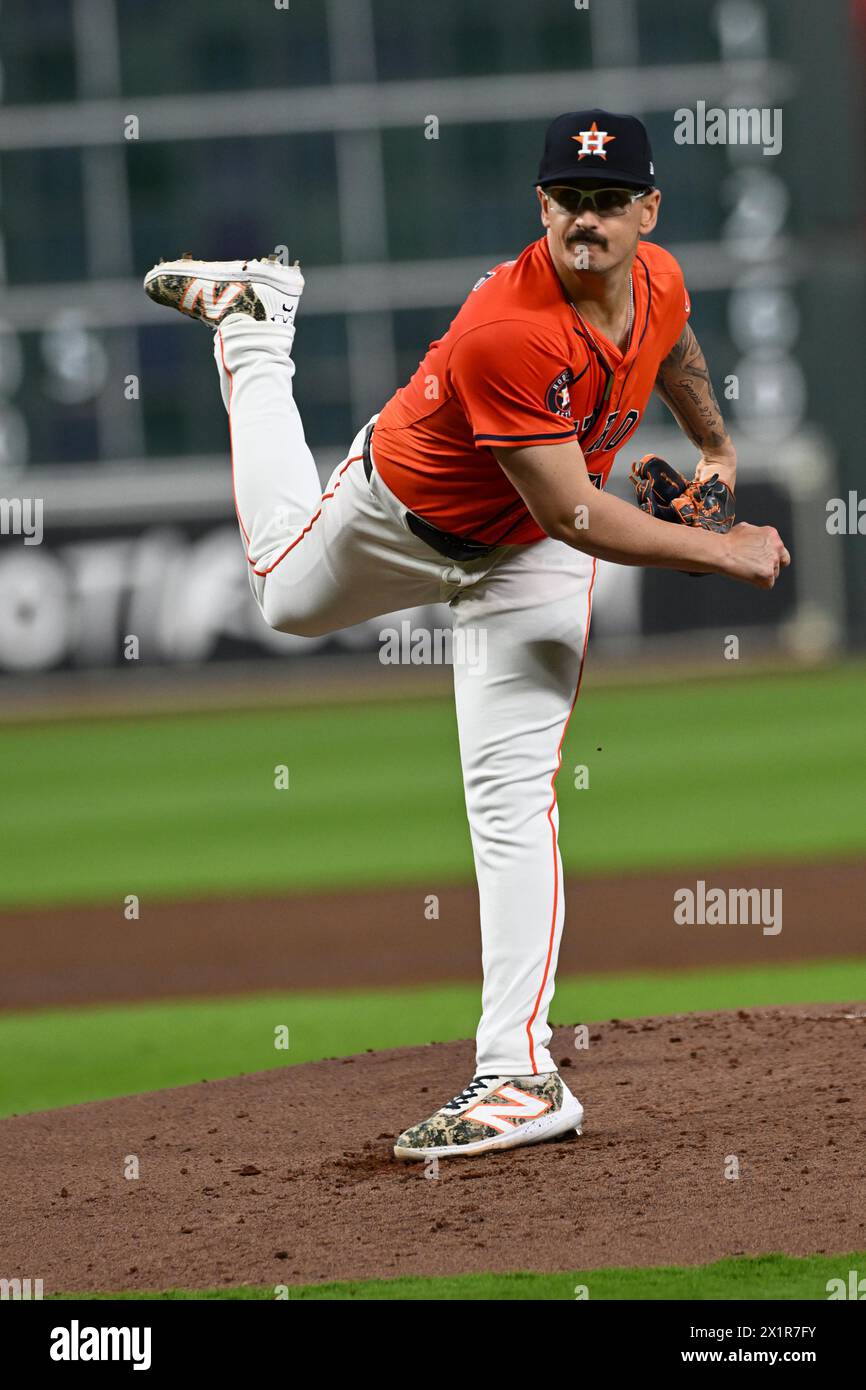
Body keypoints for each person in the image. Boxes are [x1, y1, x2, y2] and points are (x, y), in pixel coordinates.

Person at [144, 109, 789, 1162]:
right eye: (568, 200)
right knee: (280, 597)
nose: (588, 219)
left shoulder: (658, 277)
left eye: (609, 200)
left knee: (509, 796)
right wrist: (728, 550)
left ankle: (515, 1074)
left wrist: (712, 443)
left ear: (644, 210)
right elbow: (574, 511)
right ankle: (258, 330)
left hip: (523, 561)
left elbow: (668, 338)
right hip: (402, 519)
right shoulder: (509, 325)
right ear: (541, 206)